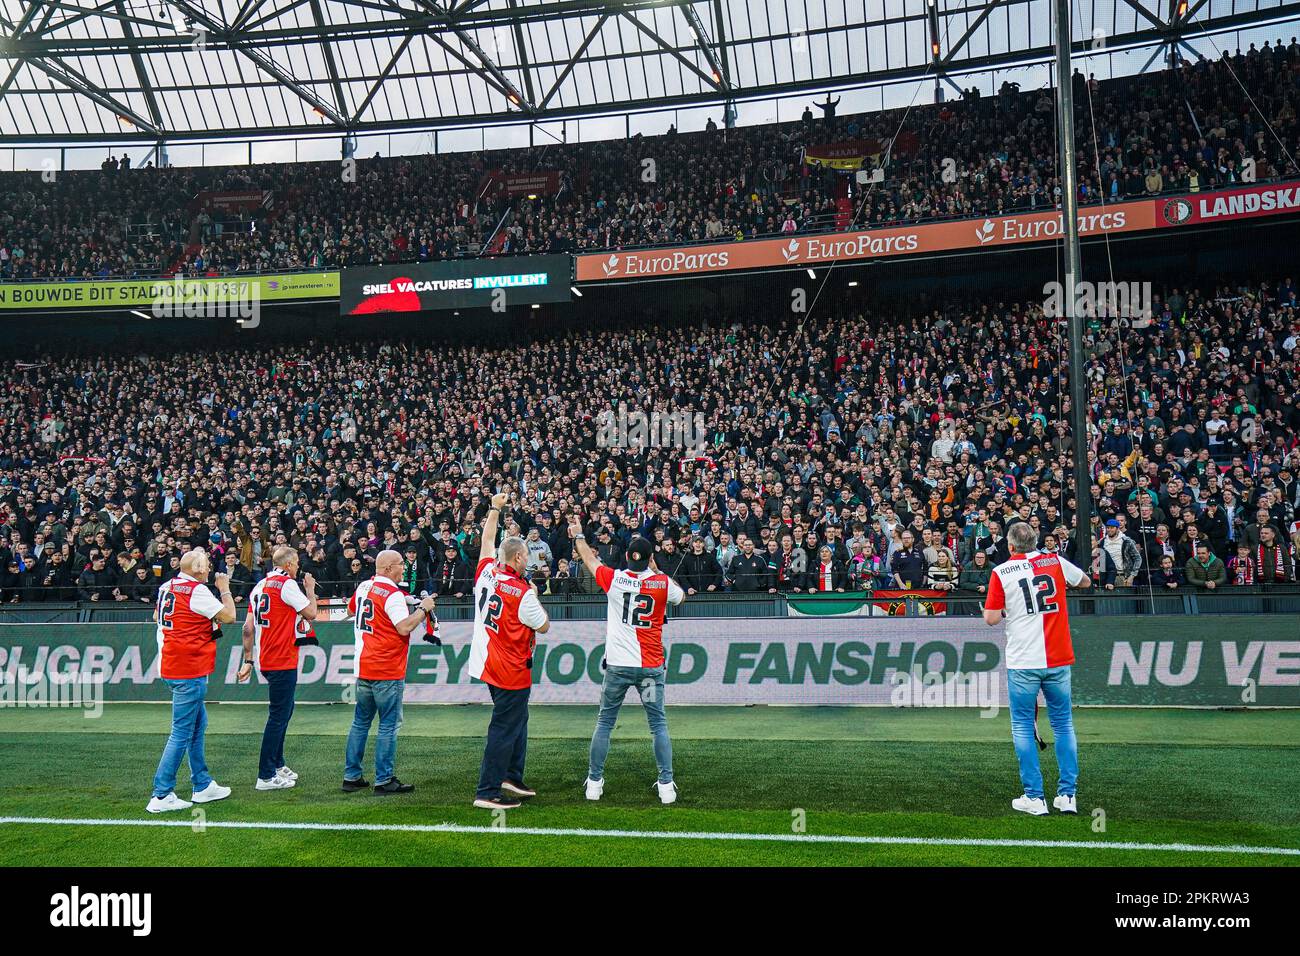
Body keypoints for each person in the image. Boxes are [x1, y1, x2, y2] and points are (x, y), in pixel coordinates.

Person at [569, 517, 684, 804]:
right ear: (650, 558)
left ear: (627, 557)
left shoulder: (615, 579)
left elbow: (590, 560)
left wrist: (579, 535)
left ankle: (594, 782)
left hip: (618, 666)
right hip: (649, 667)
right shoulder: (660, 583)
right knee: (657, 724)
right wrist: (657, 570)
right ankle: (666, 784)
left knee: (605, 722)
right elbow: (680, 597)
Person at [982, 522, 1091, 817]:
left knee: (1021, 726)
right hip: (1057, 657)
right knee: (1063, 724)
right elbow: (1084, 582)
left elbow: (991, 618)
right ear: (1036, 542)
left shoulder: (1000, 572)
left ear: (1010, 545)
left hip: (1023, 661)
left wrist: (1007, 608)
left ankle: (1035, 797)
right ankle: (1067, 795)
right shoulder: (1054, 560)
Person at [469, 491, 550, 811]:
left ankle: (511, 776)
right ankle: (487, 790)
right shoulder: (522, 591)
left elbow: (488, 541)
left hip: (488, 659)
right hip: (510, 666)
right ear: (517, 558)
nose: (528, 559)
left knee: (517, 718)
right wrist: (532, 592)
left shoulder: (486, 570)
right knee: (504, 726)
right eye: (526, 556)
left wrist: (494, 509)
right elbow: (543, 625)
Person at [146, 548, 237, 813]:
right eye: (206, 565)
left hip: (172, 664)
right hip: (188, 667)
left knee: (198, 725)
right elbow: (230, 616)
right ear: (197, 568)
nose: (209, 569)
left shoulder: (166, 586)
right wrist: (225, 588)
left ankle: (202, 784)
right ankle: (161, 794)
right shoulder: (197, 591)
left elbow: (156, 617)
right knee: (182, 731)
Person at [342, 549, 436, 795]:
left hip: (363, 666)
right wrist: (423, 609)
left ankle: (351, 776)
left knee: (360, 723)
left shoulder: (363, 586)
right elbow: (404, 628)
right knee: (388, 725)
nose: (402, 568)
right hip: (387, 668)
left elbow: (352, 610)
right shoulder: (393, 594)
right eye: (399, 565)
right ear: (387, 569)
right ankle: (384, 780)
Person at [238, 546, 318, 790]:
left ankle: (277, 763)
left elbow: (247, 628)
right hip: (282, 658)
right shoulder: (286, 584)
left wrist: (249, 660)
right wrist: (311, 590)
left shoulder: (259, 586)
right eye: (295, 564)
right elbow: (311, 613)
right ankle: (265, 775)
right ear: (290, 564)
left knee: (284, 712)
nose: (297, 568)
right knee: (278, 716)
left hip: (266, 657)